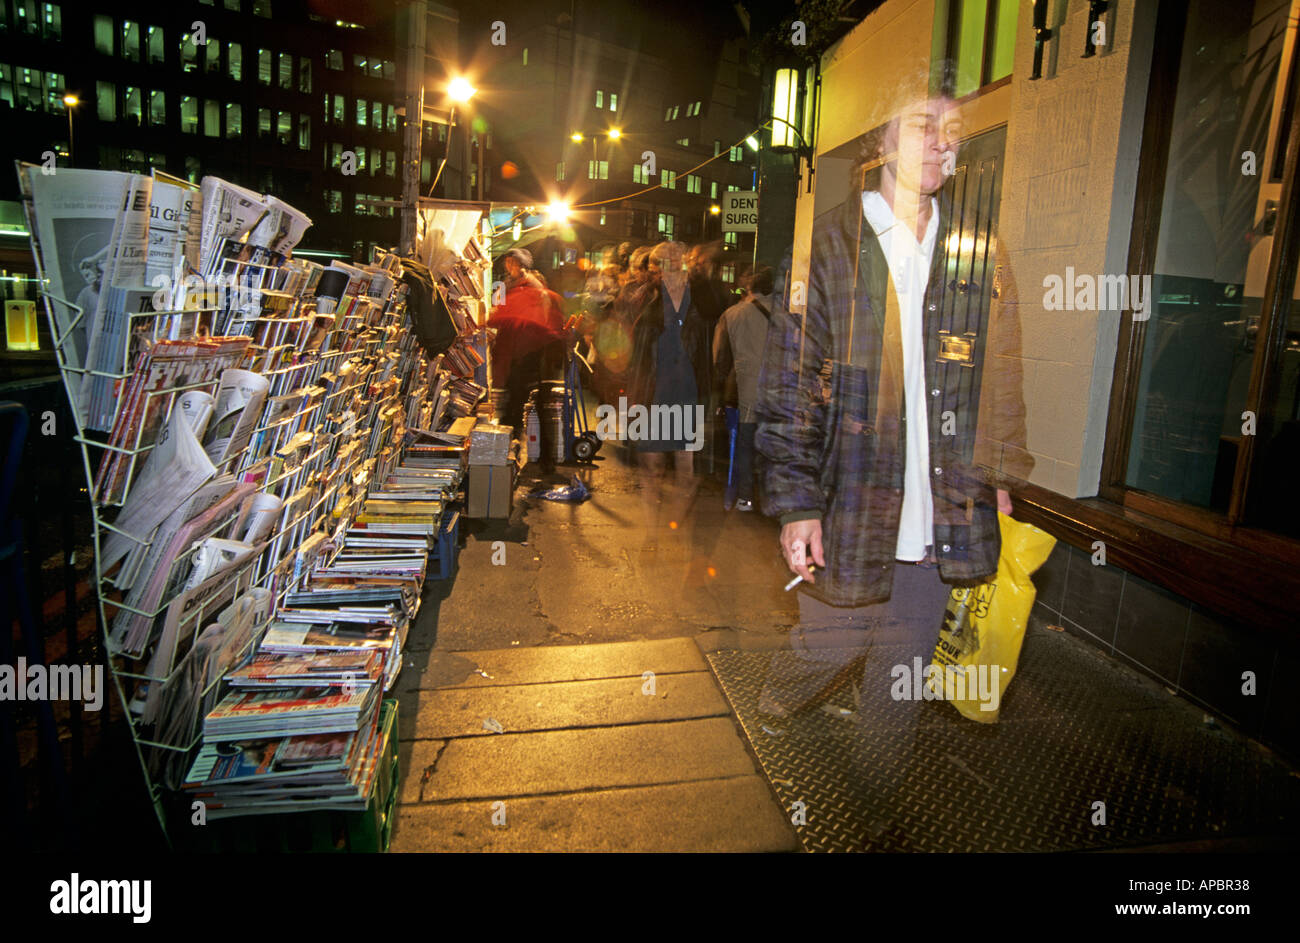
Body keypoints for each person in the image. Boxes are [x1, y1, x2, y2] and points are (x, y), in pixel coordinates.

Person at [754, 67, 1032, 731]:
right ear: (884, 137)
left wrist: (995, 471)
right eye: (923, 127)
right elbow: (790, 385)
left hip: (941, 500)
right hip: (852, 493)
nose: (942, 144)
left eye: (954, 132)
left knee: (904, 668)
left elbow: (1002, 369)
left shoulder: (978, 250)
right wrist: (797, 504)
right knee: (836, 641)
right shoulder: (828, 246)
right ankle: (783, 691)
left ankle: (876, 808)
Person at [626, 241, 710, 503]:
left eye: (678, 263)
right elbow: (637, 358)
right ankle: (653, 532)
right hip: (654, 394)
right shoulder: (644, 304)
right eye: (663, 266)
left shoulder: (700, 304)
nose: (672, 271)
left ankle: (677, 531)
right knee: (652, 464)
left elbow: (705, 356)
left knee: (684, 463)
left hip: (686, 392)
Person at [488, 247, 565, 473]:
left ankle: (512, 457)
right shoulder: (518, 286)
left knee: (518, 407)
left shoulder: (527, 287)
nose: (507, 266)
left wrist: (488, 320)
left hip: (529, 354)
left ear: (517, 264)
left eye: (510, 262)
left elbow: (510, 316)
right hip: (530, 353)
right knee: (532, 407)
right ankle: (539, 459)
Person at [713, 265, 775, 511]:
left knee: (745, 443)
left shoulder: (732, 314)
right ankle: (773, 498)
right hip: (778, 391)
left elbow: (719, 357)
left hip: (744, 388)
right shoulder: (787, 315)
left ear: (749, 287)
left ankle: (746, 497)